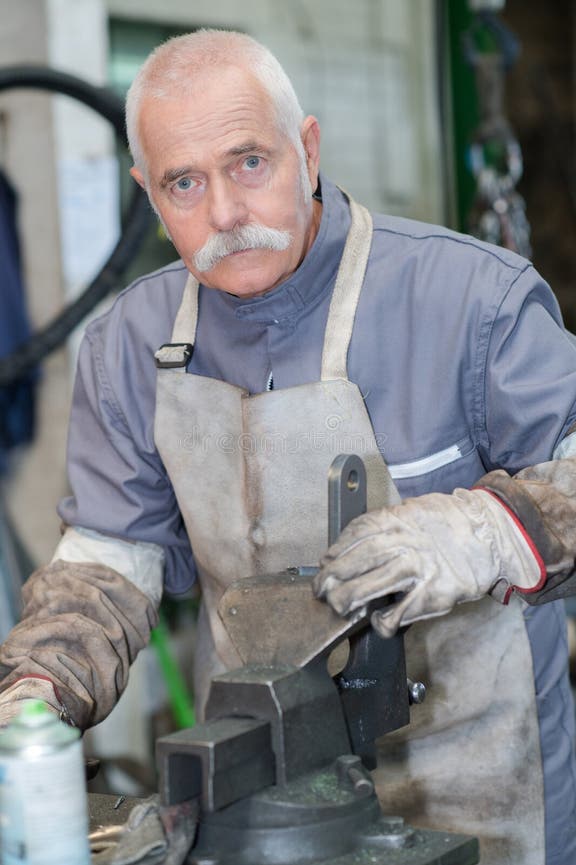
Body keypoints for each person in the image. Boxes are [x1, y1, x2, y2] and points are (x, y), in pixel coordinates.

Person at [0, 28, 575, 865]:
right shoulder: (128, 345)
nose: (225, 214)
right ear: (147, 195)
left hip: (487, 790)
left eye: (249, 163)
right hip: (256, 802)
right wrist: (37, 688)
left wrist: (488, 529)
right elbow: (109, 561)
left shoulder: (472, 301)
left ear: (307, 149)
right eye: (184, 183)